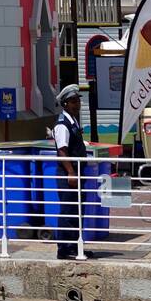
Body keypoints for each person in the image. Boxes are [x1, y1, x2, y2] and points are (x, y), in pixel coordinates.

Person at [52, 83, 88, 260]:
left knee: (77, 211)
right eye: (73, 101)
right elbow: (62, 151)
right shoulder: (62, 125)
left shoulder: (73, 121)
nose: (77, 104)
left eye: (78, 101)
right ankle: (64, 249)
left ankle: (77, 246)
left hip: (79, 173)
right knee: (68, 211)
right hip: (69, 175)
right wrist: (71, 173)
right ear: (65, 104)